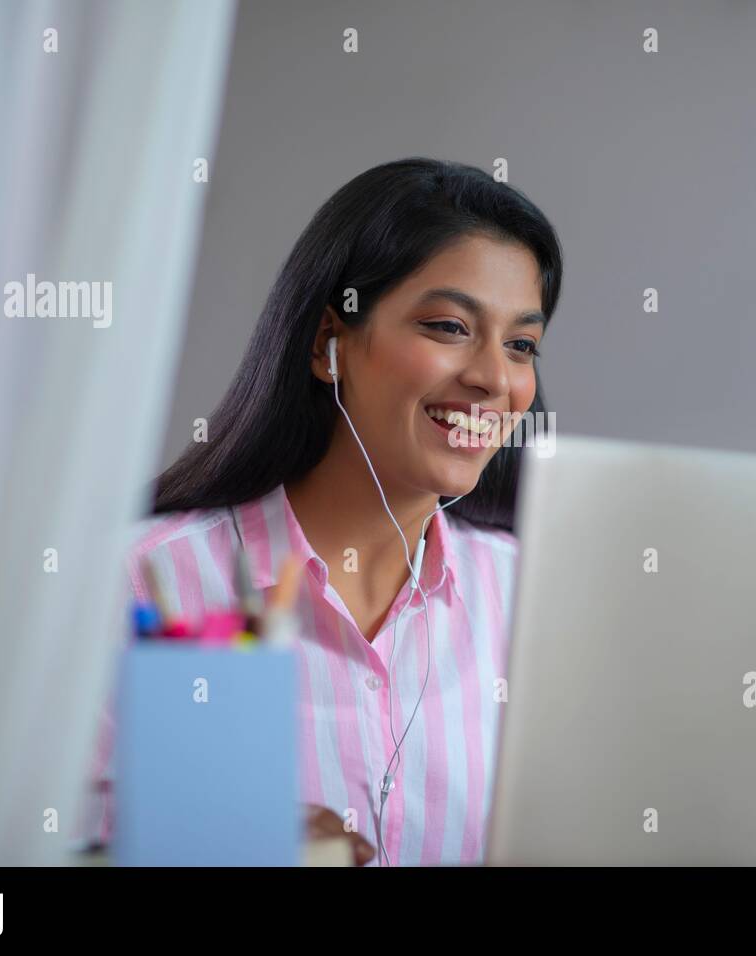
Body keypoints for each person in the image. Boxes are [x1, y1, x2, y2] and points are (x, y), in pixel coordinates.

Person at [89, 157, 563, 866]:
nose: (494, 377)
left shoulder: (539, 601)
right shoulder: (139, 580)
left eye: (521, 344)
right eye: (447, 327)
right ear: (327, 345)